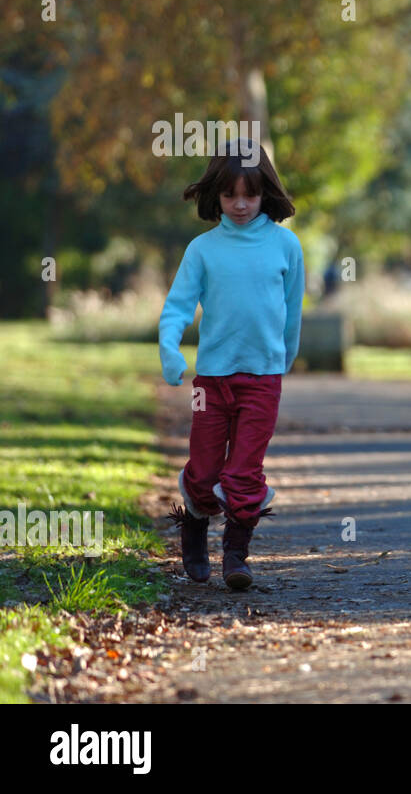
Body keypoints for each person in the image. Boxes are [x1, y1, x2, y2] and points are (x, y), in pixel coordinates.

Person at [159, 138, 304, 590]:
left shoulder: (286, 246)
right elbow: (178, 306)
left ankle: (237, 554)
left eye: (250, 194)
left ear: (267, 194)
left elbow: (292, 310)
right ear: (215, 196)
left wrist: (285, 358)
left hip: (262, 380)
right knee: (203, 472)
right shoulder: (203, 250)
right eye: (229, 195)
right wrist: (170, 346)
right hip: (211, 381)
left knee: (243, 472)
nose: (240, 205)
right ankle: (196, 527)